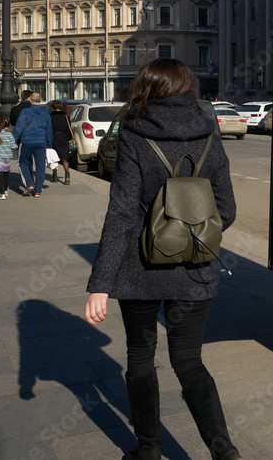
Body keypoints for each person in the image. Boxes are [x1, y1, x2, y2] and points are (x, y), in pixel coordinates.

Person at [83, 59, 240, 460]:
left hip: (139, 269)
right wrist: (191, 230)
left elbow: (120, 215)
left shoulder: (135, 131)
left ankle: (148, 452)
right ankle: (225, 452)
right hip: (196, 268)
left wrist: (100, 285)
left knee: (141, 357)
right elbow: (227, 209)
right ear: (188, 87)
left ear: (146, 86)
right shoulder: (209, 130)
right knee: (189, 361)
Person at [14, 92, 53, 197]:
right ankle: (38, 190)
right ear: (41, 100)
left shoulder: (26, 112)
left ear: (30, 100)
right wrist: (49, 144)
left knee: (23, 162)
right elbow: (49, 130)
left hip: (27, 141)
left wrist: (13, 140)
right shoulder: (46, 114)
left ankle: (29, 184)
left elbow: (19, 127)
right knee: (41, 166)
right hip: (41, 142)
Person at [48, 100, 75, 185]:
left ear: (53, 107)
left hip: (54, 137)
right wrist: (68, 138)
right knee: (64, 158)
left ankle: (54, 175)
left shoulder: (50, 116)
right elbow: (69, 128)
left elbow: (48, 129)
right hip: (64, 138)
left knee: (54, 157)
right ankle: (67, 174)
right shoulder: (66, 116)